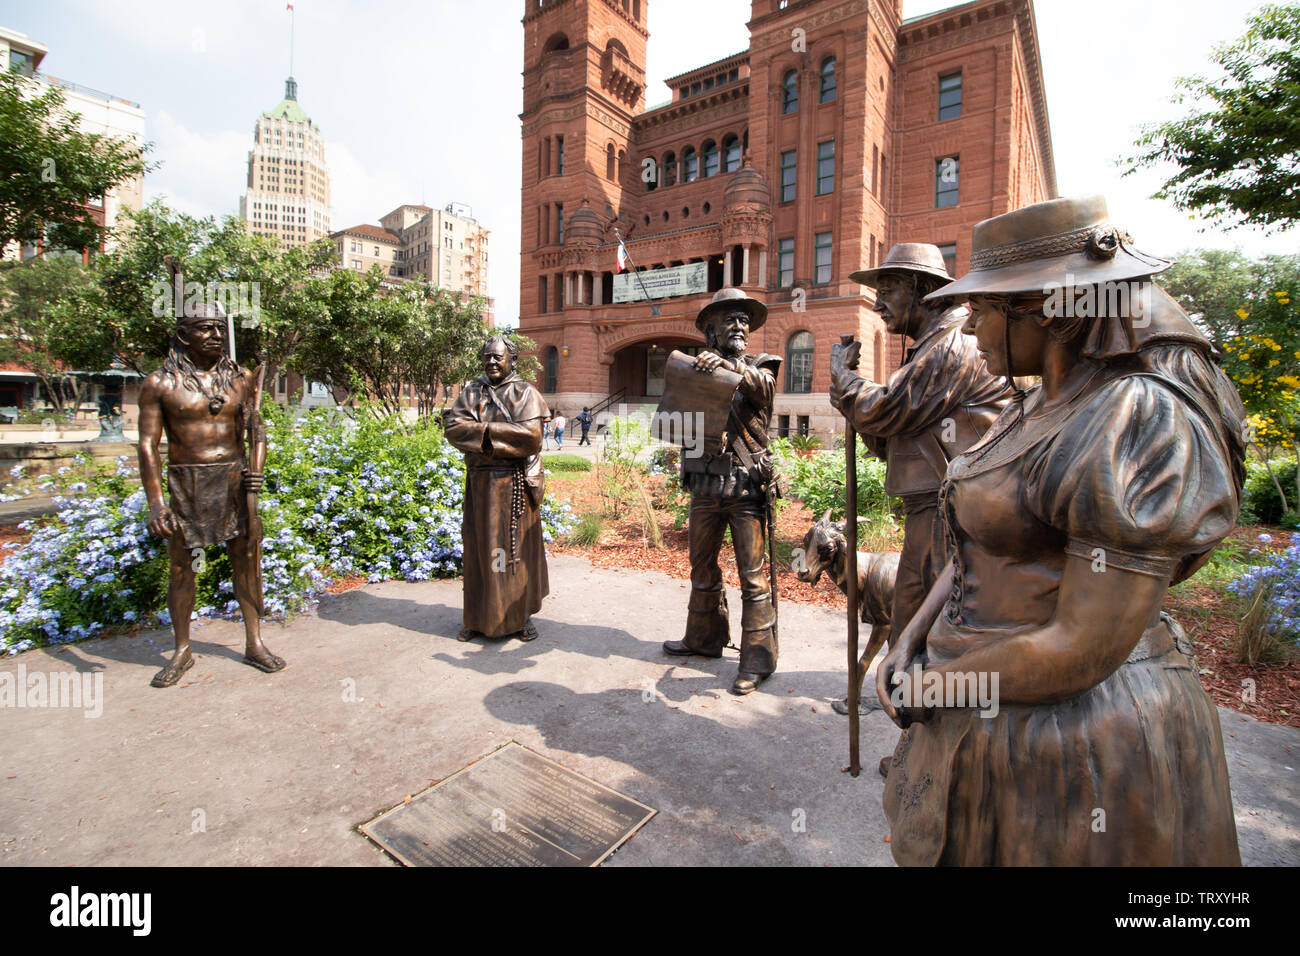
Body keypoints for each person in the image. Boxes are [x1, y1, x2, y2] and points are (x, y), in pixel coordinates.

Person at [876, 196, 1244, 865]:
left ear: (1048, 310)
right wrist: (913, 638)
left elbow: (1081, 648)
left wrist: (942, 683)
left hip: (1076, 734)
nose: (970, 323)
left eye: (986, 308)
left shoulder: (1134, 418)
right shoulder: (1034, 404)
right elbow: (975, 548)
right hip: (990, 699)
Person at [830, 244, 1012, 735]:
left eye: (887, 291)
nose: (877, 305)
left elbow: (889, 409)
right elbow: (892, 432)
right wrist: (862, 406)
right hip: (930, 509)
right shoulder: (931, 345)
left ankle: (940, 743)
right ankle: (918, 739)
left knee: (939, 629)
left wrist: (843, 379)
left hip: (955, 511)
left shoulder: (954, 343)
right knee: (913, 620)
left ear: (923, 290)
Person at [138, 303, 283, 688]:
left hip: (234, 481)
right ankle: (182, 648)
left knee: (247, 562)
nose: (216, 335)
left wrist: (257, 469)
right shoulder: (159, 384)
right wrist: (155, 501)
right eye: (206, 328)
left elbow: (257, 429)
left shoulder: (241, 379)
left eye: (219, 328)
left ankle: (254, 641)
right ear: (183, 336)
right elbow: (148, 445)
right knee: (183, 569)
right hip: (188, 483)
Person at [663, 288, 781, 695]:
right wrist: (698, 373)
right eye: (729, 320)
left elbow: (761, 389)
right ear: (709, 331)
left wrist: (726, 369)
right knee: (702, 569)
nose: (739, 327)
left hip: (746, 487)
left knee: (752, 577)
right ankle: (704, 639)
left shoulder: (761, 366)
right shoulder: (695, 369)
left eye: (744, 321)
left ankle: (757, 659)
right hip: (705, 486)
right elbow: (679, 424)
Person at [443, 335, 550, 642]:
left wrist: (481, 432)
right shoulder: (472, 391)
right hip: (479, 484)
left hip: (513, 485)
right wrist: (501, 434)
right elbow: (452, 429)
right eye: (487, 357)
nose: (491, 362)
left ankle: (519, 617)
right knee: (481, 551)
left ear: (512, 360)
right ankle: (478, 618)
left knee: (512, 553)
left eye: (497, 357)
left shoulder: (525, 392)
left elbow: (531, 437)